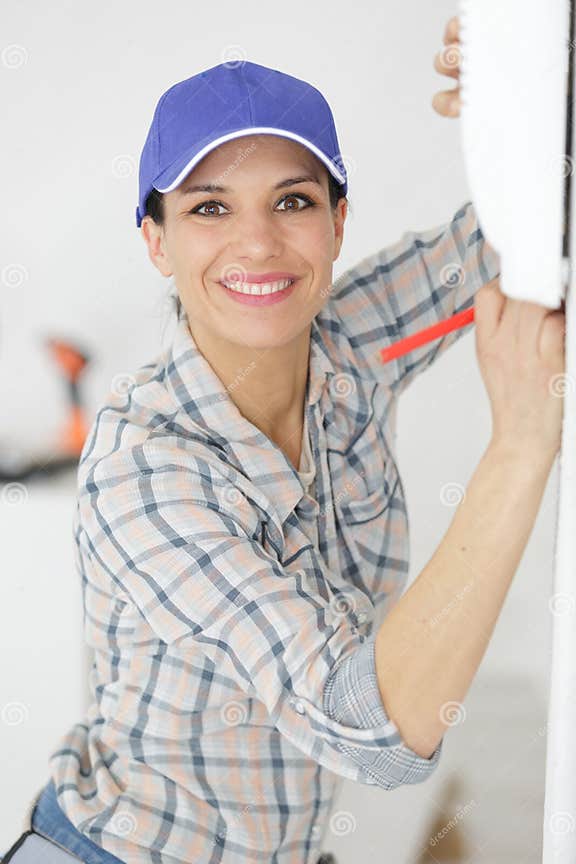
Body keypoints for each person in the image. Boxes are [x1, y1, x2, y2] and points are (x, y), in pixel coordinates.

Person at [3, 22, 566, 864]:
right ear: (157, 241)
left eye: (293, 201)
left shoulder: (349, 340)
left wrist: (530, 102)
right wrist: (519, 444)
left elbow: (529, 231)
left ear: (337, 223)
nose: (259, 243)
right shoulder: (144, 471)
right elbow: (375, 733)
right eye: (209, 207)